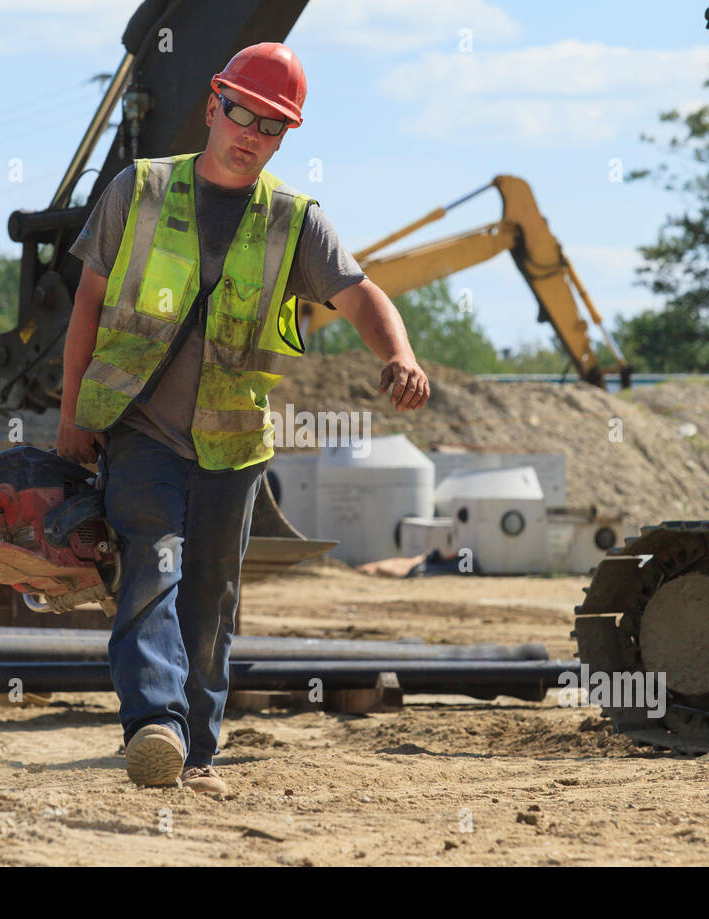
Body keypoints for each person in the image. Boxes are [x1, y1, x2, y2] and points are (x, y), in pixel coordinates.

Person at [57, 42, 430, 795]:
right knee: (151, 572)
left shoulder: (295, 221)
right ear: (212, 105)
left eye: (272, 126)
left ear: (286, 136)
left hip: (233, 449)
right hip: (140, 433)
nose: (251, 133)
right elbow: (87, 309)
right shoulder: (140, 191)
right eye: (241, 113)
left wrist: (401, 354)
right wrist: (72, 418)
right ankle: (154, 725)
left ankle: (195, 754)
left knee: (211, 601)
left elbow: (362, 295)